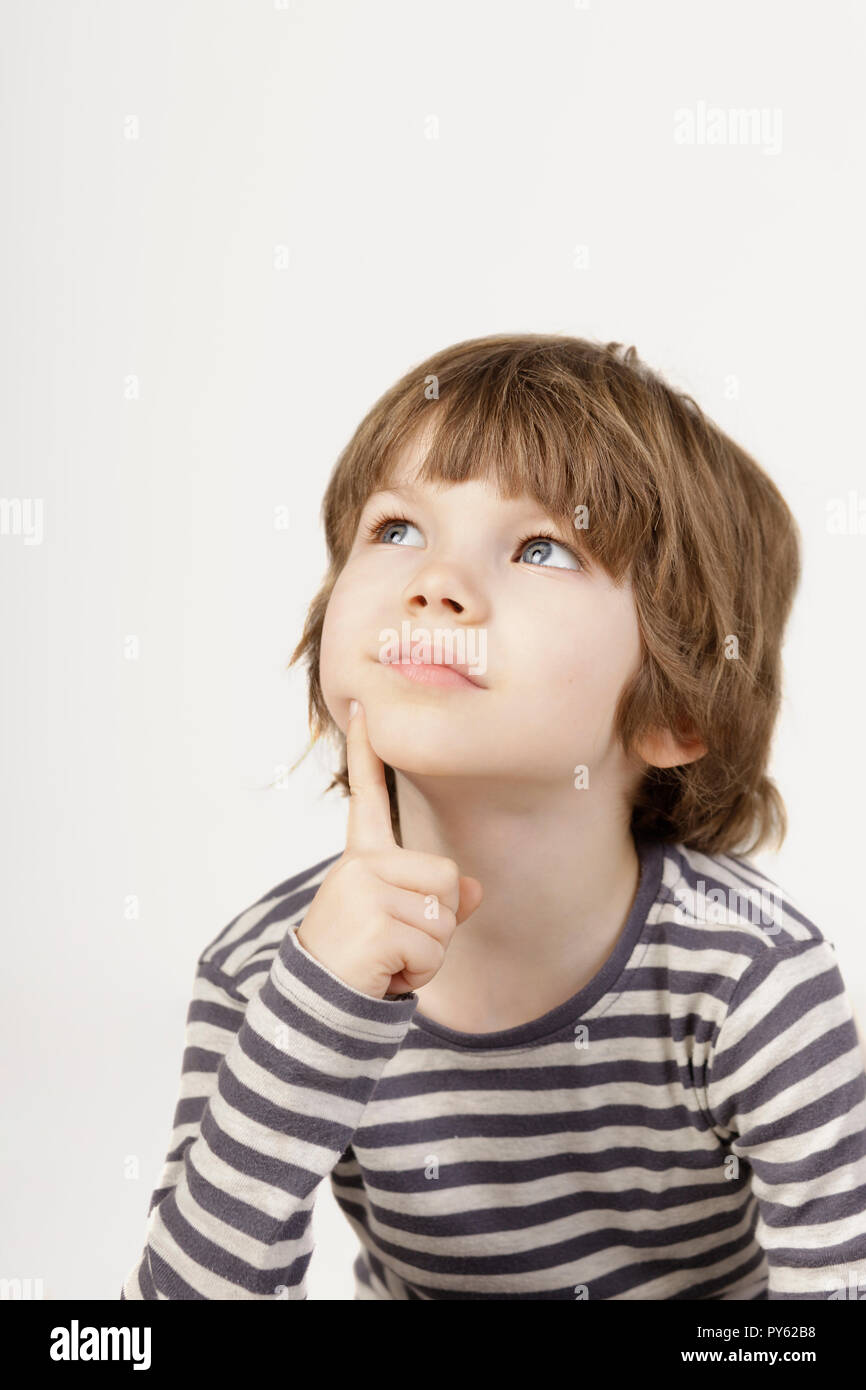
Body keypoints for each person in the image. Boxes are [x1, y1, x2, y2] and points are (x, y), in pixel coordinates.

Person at [121, 333, 866, 1300]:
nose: (434, 583)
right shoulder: (265, 971)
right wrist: (317, 1013)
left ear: (679, 710)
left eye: (542, 547)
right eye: (395, 530)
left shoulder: (748, 975)